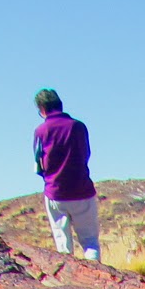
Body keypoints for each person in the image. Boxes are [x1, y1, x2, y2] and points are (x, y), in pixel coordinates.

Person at [32, 88, 100, 261]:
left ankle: (69, 283)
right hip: (82, 190)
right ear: (60, 105)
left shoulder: (41, 131)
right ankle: (95, 282)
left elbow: (38, 163)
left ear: (42, 109)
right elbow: (86, 154)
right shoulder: (78, 126)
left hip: (55, 193)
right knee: (90, 242)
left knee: (63, 246)